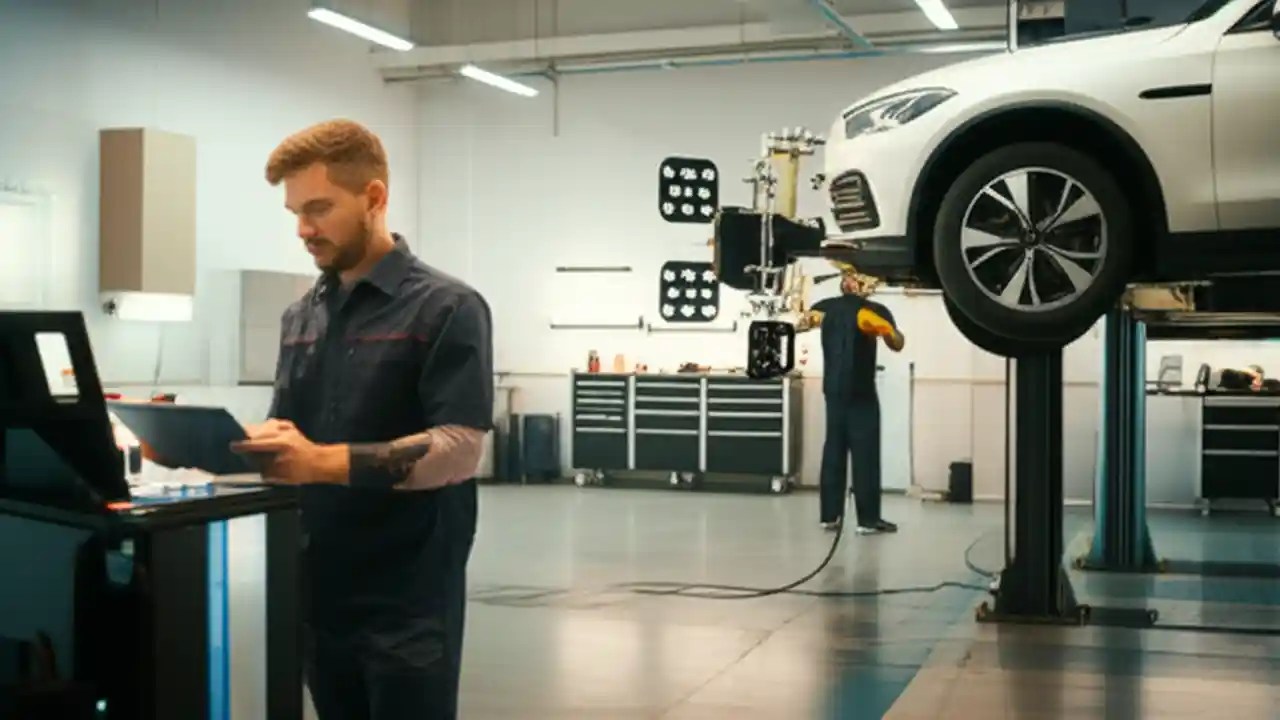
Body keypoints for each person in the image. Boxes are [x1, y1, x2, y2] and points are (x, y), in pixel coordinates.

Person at [231, 119, 494, 720]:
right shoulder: (302, 316)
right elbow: (286, 436)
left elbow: (458, 449)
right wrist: (199, 444)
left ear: (374, 198)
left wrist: (320, 462)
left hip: (409, 601)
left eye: (319, 208)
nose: (303, 229)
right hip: (320, 591)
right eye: (295, 212)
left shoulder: (448, 307)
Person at [797, 270, 904, 535]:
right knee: (865, 454)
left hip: (833, 390)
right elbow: (897, 342)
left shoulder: (827, 308)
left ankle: (829, 516)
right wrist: (886, 331)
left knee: (834, 449)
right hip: (860, 392)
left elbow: (801, 323)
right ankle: (867, 520)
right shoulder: (873, 310)